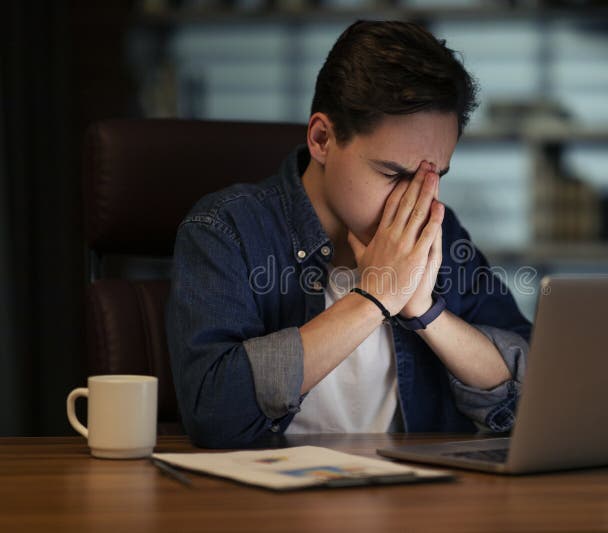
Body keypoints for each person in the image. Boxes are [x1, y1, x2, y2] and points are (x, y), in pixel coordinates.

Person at [166, 20, 532, 448]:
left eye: (436, 177)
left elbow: (539, 391)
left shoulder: (440, 233)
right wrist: (374, 299)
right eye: (393, 173)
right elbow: (214, 411)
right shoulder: (225, 230)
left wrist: (427, 314)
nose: (416, 201)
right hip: (273, 504)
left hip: (420, 501)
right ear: (322, 138)